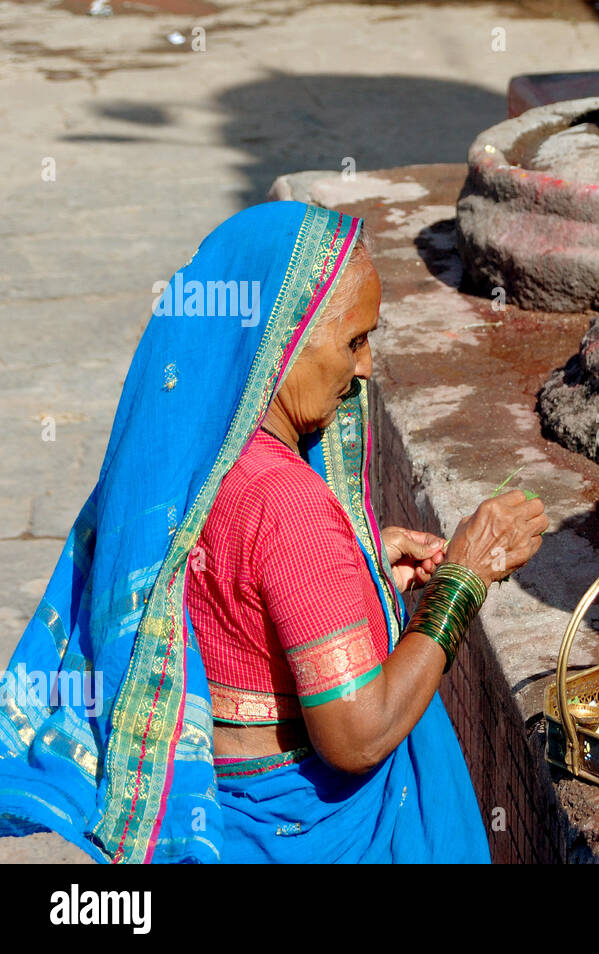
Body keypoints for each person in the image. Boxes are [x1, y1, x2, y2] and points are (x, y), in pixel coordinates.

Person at [0, 201, 546, 862]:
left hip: (230, 811)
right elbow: (358, 735)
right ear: (281, 341)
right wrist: (463, 578)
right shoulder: (290, 507)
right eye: (353, 340)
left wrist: (355, 570)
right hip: (308, 829)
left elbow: (230, 587)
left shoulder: (190, 454)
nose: (366, 367)